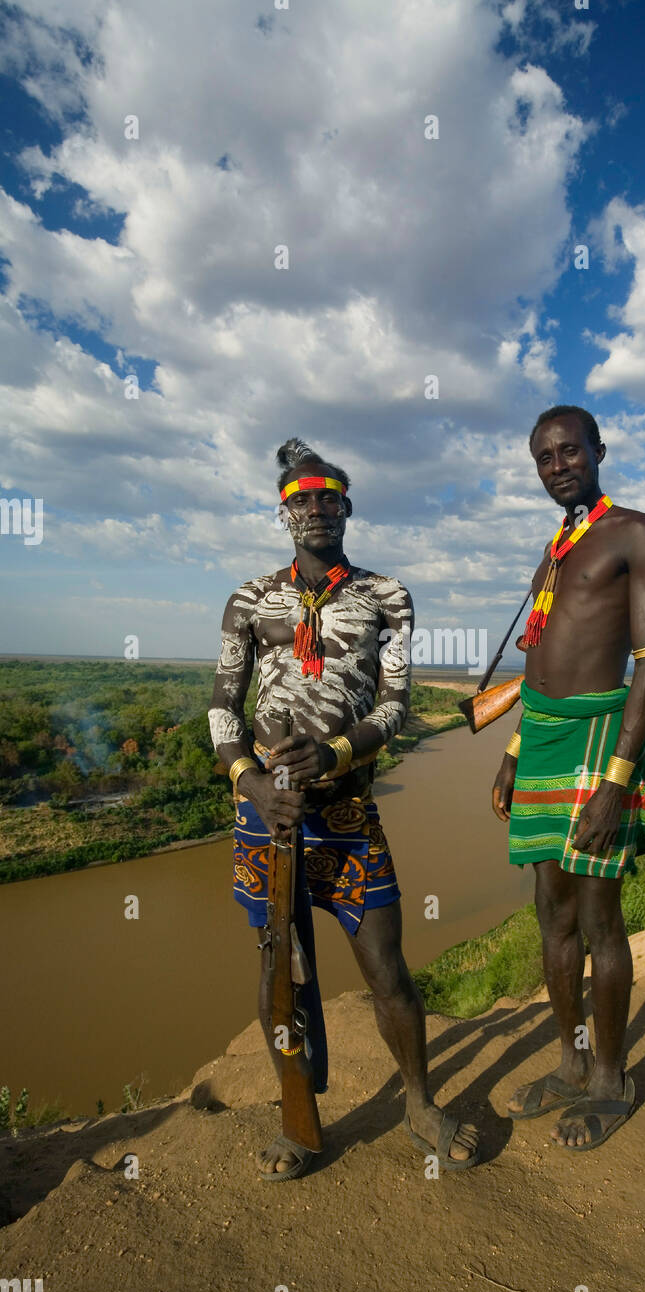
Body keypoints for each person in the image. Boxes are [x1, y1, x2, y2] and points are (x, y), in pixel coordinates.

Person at [209, 438, 478, 1178]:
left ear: (347, 507)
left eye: (328, 496)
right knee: (278, 971)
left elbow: (395, 706)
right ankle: (301, 1121)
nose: (316, 508)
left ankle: (419, 1105)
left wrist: (331, 757)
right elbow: (222, 708)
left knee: (386, 969)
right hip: (267, 816)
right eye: (301, 498)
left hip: (349, 814)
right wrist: (249, 781)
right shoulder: (247, 600)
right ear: (284, 512)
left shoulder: (387, 597)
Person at [492, 406, 645, 1152]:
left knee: (600, 919)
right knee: (552, 914)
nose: (557, 465)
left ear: (599, 451)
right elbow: (540, 664)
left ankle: (609, 1079)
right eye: (544, 457)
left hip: (602, 740)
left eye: (570, 451)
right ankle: (568, 1063)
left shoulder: (635, 532)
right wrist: (511, 748)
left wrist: (617, 781)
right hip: (543, 738)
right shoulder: (557, 546)